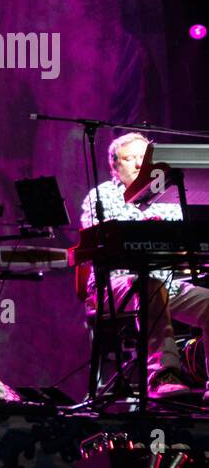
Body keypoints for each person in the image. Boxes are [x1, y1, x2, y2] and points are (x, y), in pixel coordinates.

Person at [80, 131, 209, 399]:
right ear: (115, 167)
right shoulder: (101, 196)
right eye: (131, 158)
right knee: (148, 284)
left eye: (145, 158)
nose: (140, 164)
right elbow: (101, 242)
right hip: (113, 286)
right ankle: (163, 374)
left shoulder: (169, 198)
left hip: (165, 283)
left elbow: (180, 245)